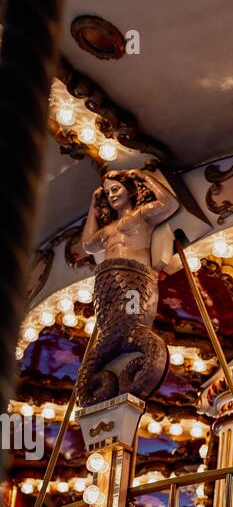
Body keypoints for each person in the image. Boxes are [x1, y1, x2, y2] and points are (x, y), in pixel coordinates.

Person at [76, 169, 179, 407]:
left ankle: (131, 340)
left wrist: (143, 177)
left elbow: (169, 204)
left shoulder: (141, 215)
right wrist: (93, 205)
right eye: (108, 192)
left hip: (134, 278)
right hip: (107, 284)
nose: (112, 195)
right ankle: (105, 361)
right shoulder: (107, 231)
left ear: (130, 191)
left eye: (116, 189)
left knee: (130, 316)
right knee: (110, 324)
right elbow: (88, 244)